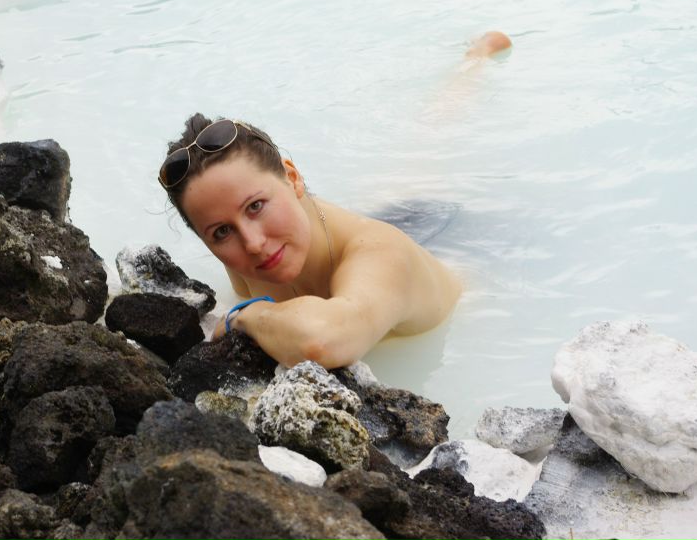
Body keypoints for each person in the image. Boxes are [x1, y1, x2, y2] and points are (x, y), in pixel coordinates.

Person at [159, 32, 510, 369]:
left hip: (453, 247)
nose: (252, 243)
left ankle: (476, 58)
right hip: (339, 241)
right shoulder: (245, 242)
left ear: (292, 177)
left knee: (428, 145)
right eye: (221, 232)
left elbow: (321, 342)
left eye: (256, 206)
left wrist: (245, 316)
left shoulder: (383, 252)